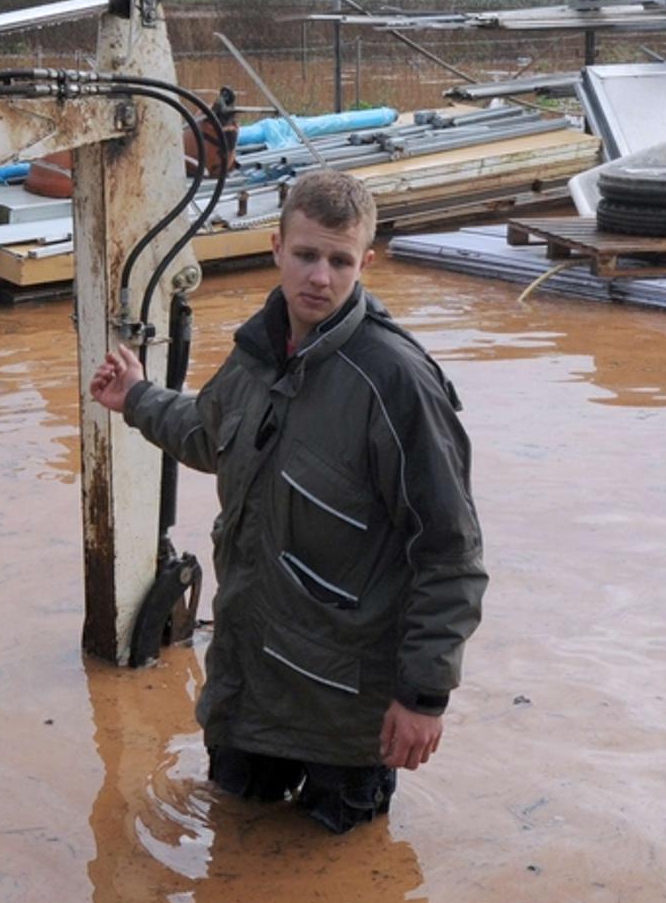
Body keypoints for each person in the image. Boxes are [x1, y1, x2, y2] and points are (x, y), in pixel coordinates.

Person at [89, 169, 486, 833]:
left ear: (366, 262)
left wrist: (424, 696)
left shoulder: (397, 383)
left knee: (346, 878)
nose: (320, 277)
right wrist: (136, 397)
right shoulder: (258, 353)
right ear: (276, 248)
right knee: (231, 853)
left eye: (339, 260)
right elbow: (208, 434)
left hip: (344, 717)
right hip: (246, 691)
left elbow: (451, 552)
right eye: (305, 255)